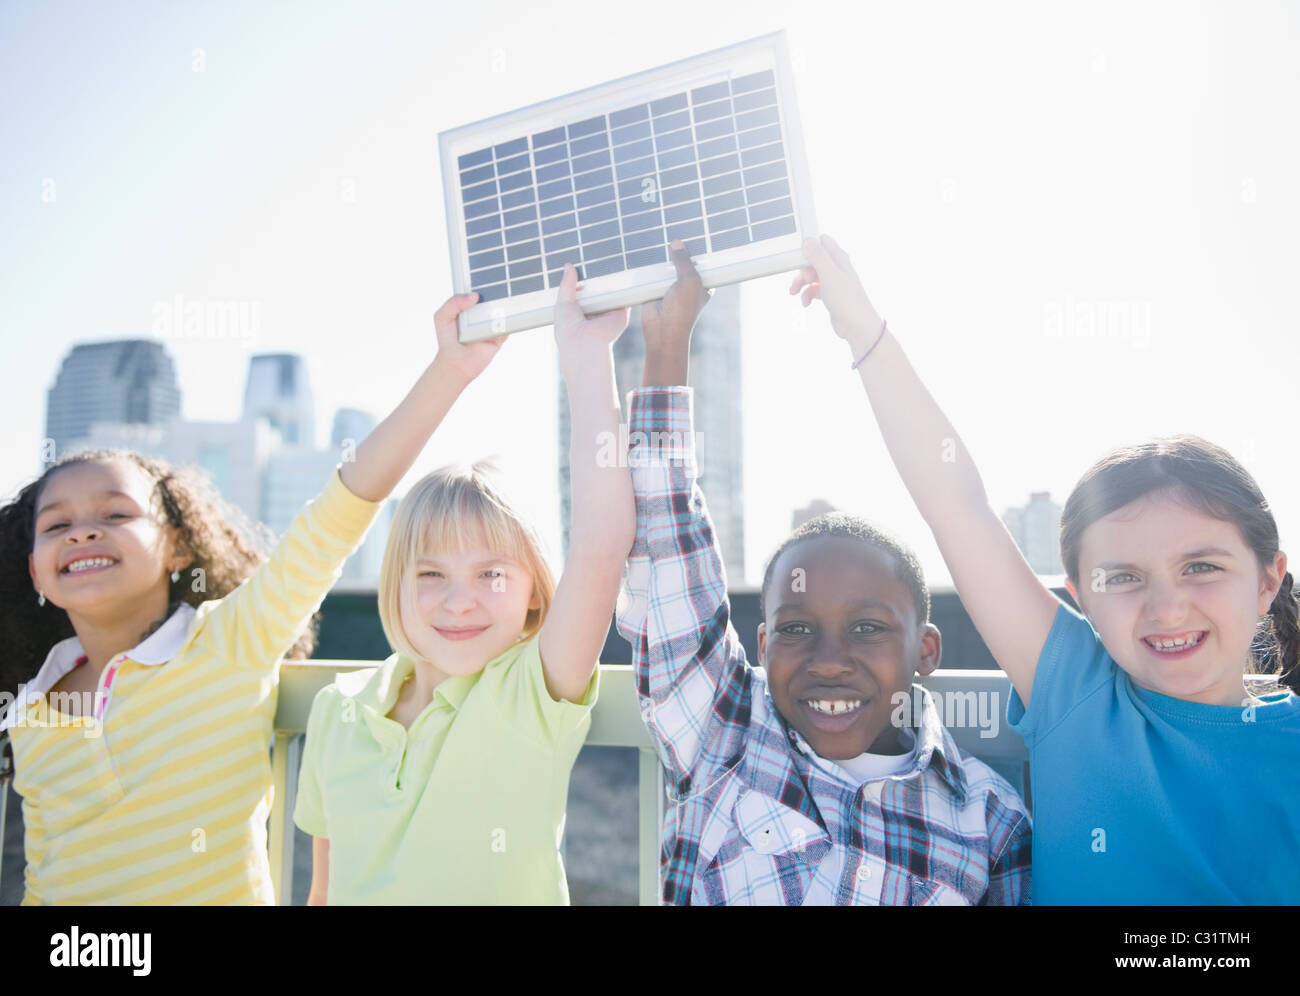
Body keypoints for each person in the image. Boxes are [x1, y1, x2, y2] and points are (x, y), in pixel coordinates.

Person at [793, 233, 1300, 904]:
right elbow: (959, 509)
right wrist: (862, 329)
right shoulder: (1076, 689)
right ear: (1081, 597)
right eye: (1123, 577)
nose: (1167, 606)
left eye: (1201, 566)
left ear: (1268, 580)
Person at [0, 291, 495, 904]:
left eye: (115, 512)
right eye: (56, 525)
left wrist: (450, 369)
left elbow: (336, 517)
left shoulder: (232, 639)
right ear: (37, 576)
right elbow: (42, 877)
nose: (82, 530)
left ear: (179, 547)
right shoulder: (29, 707)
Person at [614, 242, 1031, 905]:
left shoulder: (990, 819)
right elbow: (667, 550)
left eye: (867, 628)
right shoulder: (725, 731)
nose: (829, 660)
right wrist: (666, 347)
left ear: (925, 650)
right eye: (798, 629)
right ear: (762, 647)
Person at [294, 263, 634, 904]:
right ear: (395, 582)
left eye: (492, 573)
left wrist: (587, 358)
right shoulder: (337, 710)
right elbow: (324, 893)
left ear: (535, 588)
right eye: (431, 574)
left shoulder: (535, 692)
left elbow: (599, 546)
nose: (458, 599)